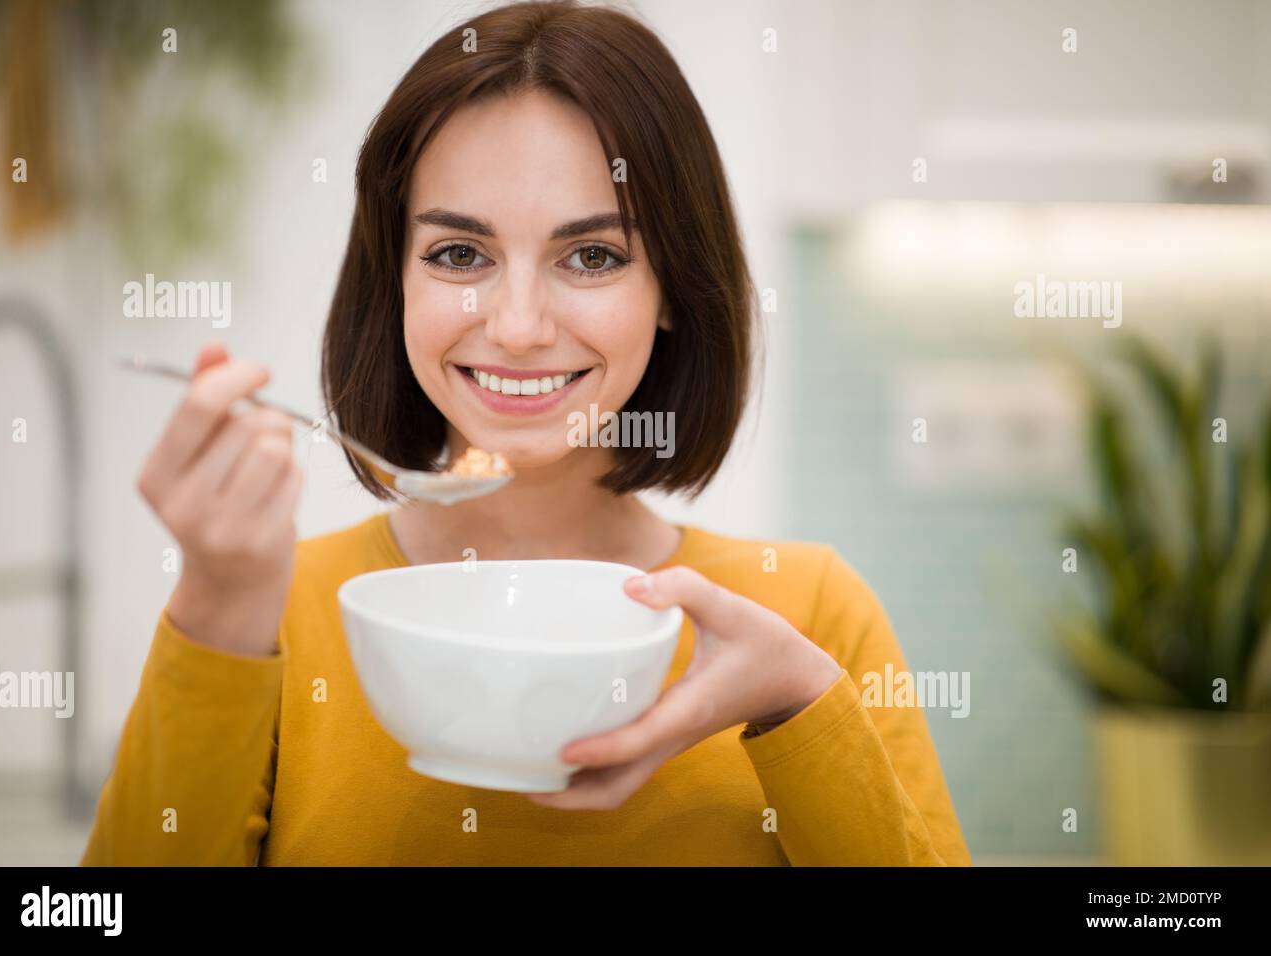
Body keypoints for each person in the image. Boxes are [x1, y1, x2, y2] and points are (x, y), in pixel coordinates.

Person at [82, 0, 970, 866]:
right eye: (459, 254)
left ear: (673, 292)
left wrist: (799, 706)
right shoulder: (272, 609)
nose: (515, 326)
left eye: (593, 256)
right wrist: (217, 604)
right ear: (393, 280)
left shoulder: (804, 616)